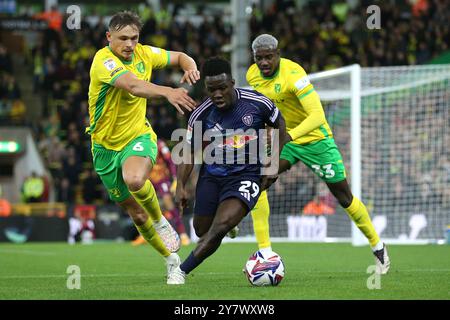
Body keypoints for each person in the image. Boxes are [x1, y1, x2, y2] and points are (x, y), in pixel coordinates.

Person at [245, 34, 390, 274]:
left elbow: (317, 116)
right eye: (259, 58)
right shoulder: (252, 75)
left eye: (268, 57)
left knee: (344, 197)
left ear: (278, 54)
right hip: (286, 138)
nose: (264, 63)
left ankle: (378, 246)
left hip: (315, 139)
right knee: (258, 178)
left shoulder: (294, 75)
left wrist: (287, 137)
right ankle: (265, 252)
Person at [87, 11, 199, 278]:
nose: (129, 44)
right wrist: (169, 91)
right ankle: (171, 260)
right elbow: (133, 86)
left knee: (135, 180)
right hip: (103, 148)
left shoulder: (145, 53)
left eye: (134, 38)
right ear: (109, 38)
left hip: (137, 135)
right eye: (123, 38)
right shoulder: (103, 61)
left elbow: (180, 56)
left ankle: (161, 221)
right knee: (137, 216)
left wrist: (190, 66)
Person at [167, 57, 287, 285]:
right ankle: (229, 226)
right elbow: (189, 152)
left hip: (247, 175)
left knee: (220, 227)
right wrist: (180, 185)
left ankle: (180, 271)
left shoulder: (256, 103)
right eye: (212, 90)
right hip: (212, 175)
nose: (218, 94)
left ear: (232, 83)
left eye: (222, 88)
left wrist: (272, 164)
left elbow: (280, 125)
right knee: (202, 229)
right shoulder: (200, 114)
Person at [132, 139, 191, 246]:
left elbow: (170, 161)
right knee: (143, 206)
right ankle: (144, 236)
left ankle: (183, 234)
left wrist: (175, 178)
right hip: (147, 179)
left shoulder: (159, 144)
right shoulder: (138, 144)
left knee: (168, 204)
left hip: (161, 178)